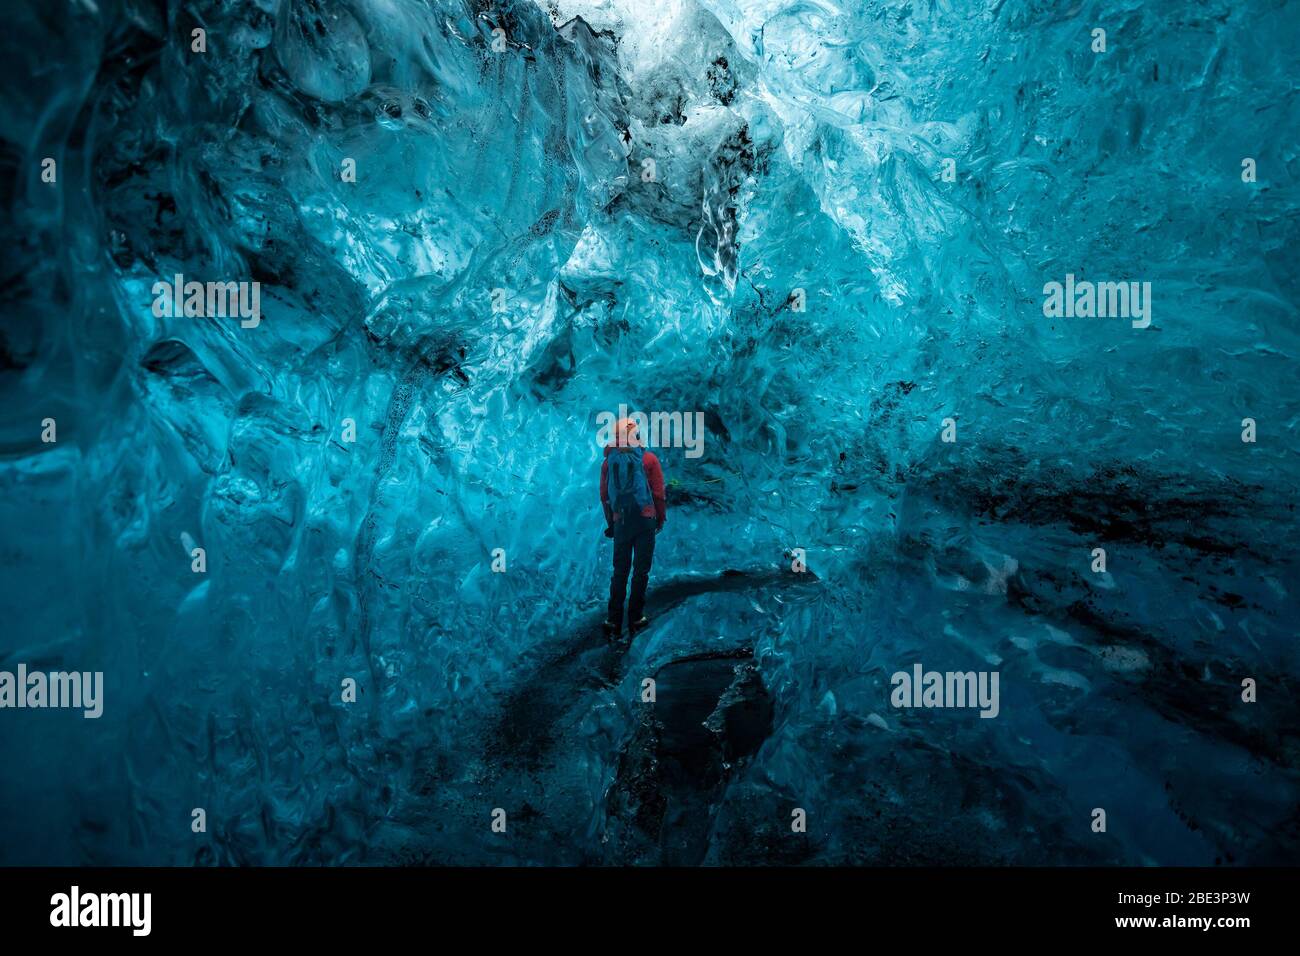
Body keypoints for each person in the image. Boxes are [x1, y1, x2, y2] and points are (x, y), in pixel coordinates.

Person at [600, 417, 666, 637]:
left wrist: (612, 523)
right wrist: (660, 518)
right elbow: (658, 493)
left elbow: (605, 497)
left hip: (621, 522)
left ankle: (613, 619)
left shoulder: (609, 462)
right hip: (645, 520)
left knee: (620, 572)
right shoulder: (648, 459)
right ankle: (636, 617)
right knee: (641, 571)